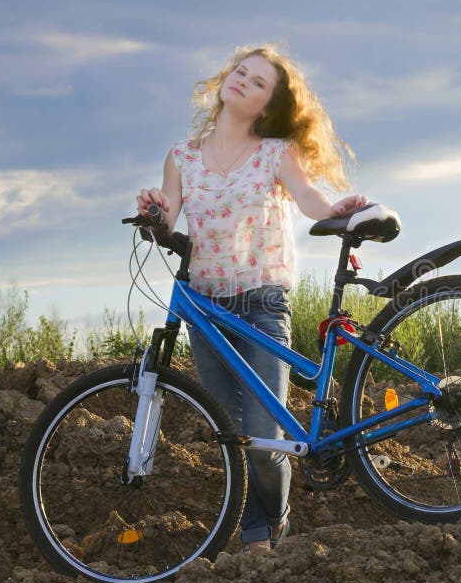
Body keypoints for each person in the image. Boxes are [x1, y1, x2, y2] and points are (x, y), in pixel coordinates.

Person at [136, 44, 368, 553]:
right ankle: (255, 533)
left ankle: (275, 519)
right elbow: (169, 220)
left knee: (265, 437)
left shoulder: (273, 153)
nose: (242, 80)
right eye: (240, 71)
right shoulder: (181, 157)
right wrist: (155, 210)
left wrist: (336, 207)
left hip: (262, 303)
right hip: (206, 308)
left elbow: (309, 199)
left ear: (266, 106)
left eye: (258, 82)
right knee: (231, 436)